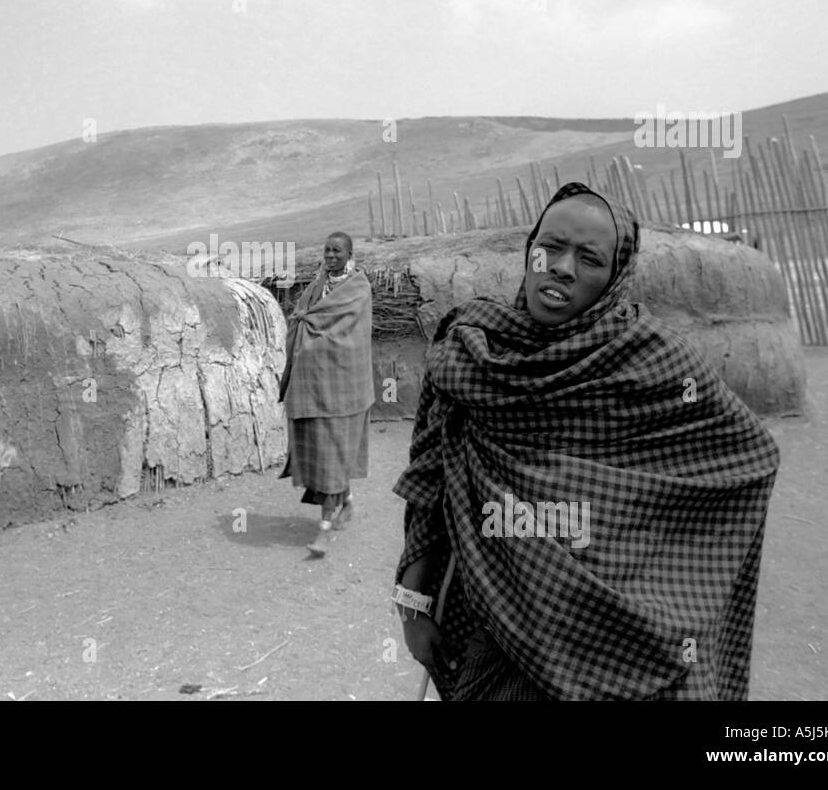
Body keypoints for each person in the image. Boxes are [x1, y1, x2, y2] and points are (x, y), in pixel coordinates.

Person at [392, 182, 779, 700]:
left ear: (614, 277)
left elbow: (749, 458)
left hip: (615, 637)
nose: (562, 267)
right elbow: (431, 480)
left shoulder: (652, 362)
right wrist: (412, 603)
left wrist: (653, 572)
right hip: (497, 629)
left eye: (588, 258)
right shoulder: (474, 349)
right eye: (549, 247)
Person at [279, 231, 375, 557]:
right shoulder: (317, 285)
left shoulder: (358, 290)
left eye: (337, 251)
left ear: (349, 254)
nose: (331, 255)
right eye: (327, 250)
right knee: (324, 453)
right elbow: (305, 318)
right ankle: (345, 501)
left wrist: (312, 329)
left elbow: (348, 337)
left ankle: (323, 533)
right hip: (313, 390)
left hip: (344, 391)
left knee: (331, 456)